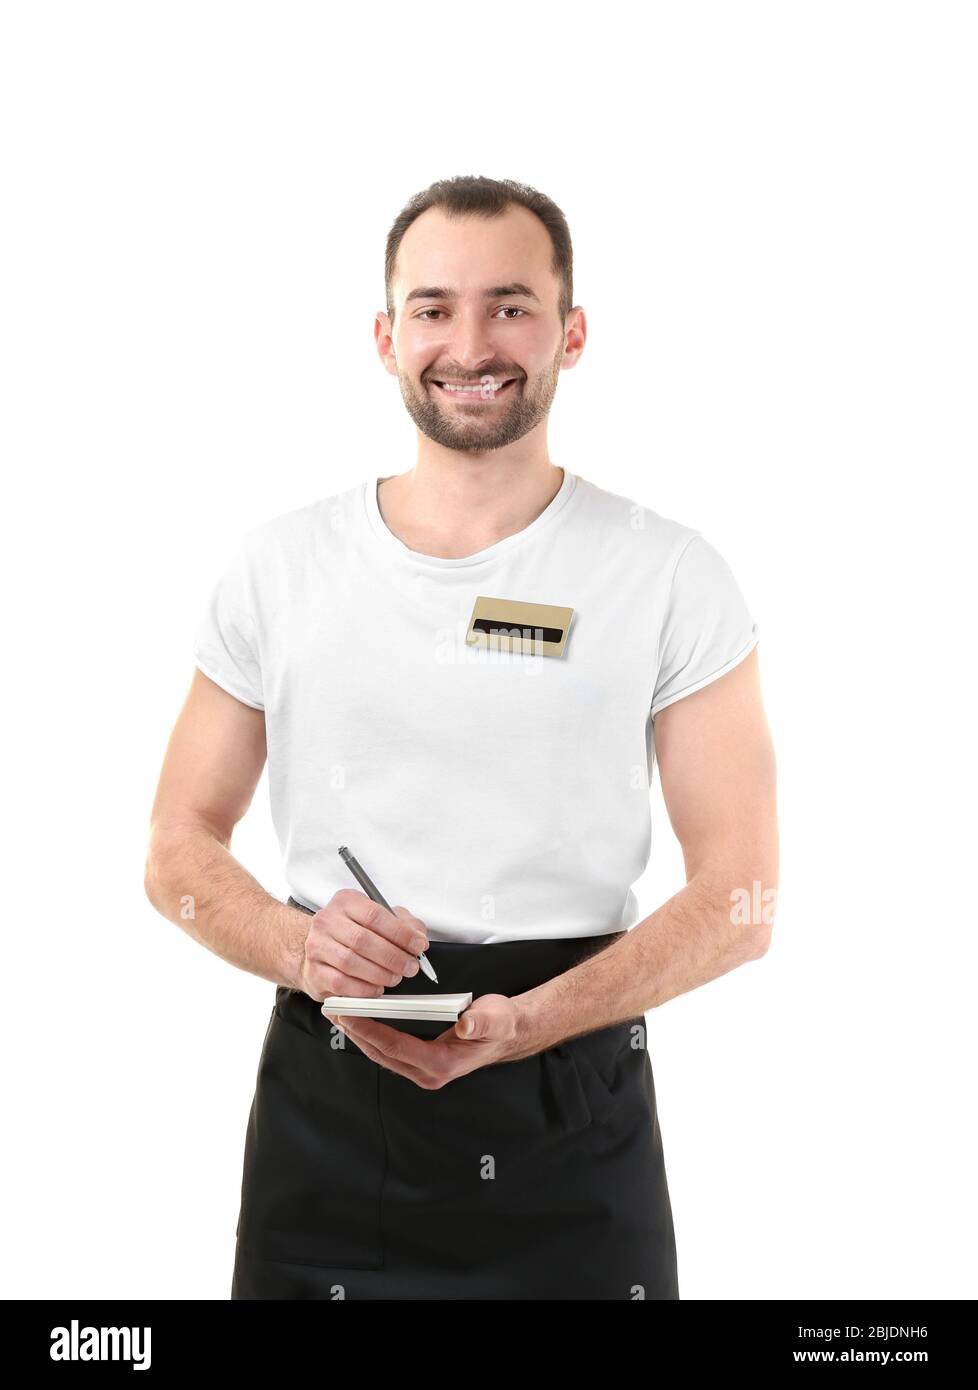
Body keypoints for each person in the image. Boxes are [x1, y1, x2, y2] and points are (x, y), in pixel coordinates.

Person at [144, 174, 779, 1301]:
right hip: (329, 1108)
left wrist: (538, 1019)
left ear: (570, 333)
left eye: (511, 306)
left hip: (575, 1106)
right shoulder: (278, 566)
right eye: (433, 308)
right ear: (386, 337)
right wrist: (303, 951)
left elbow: (742, 894)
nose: (470, 342)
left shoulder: (670, 573)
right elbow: (177, 847)